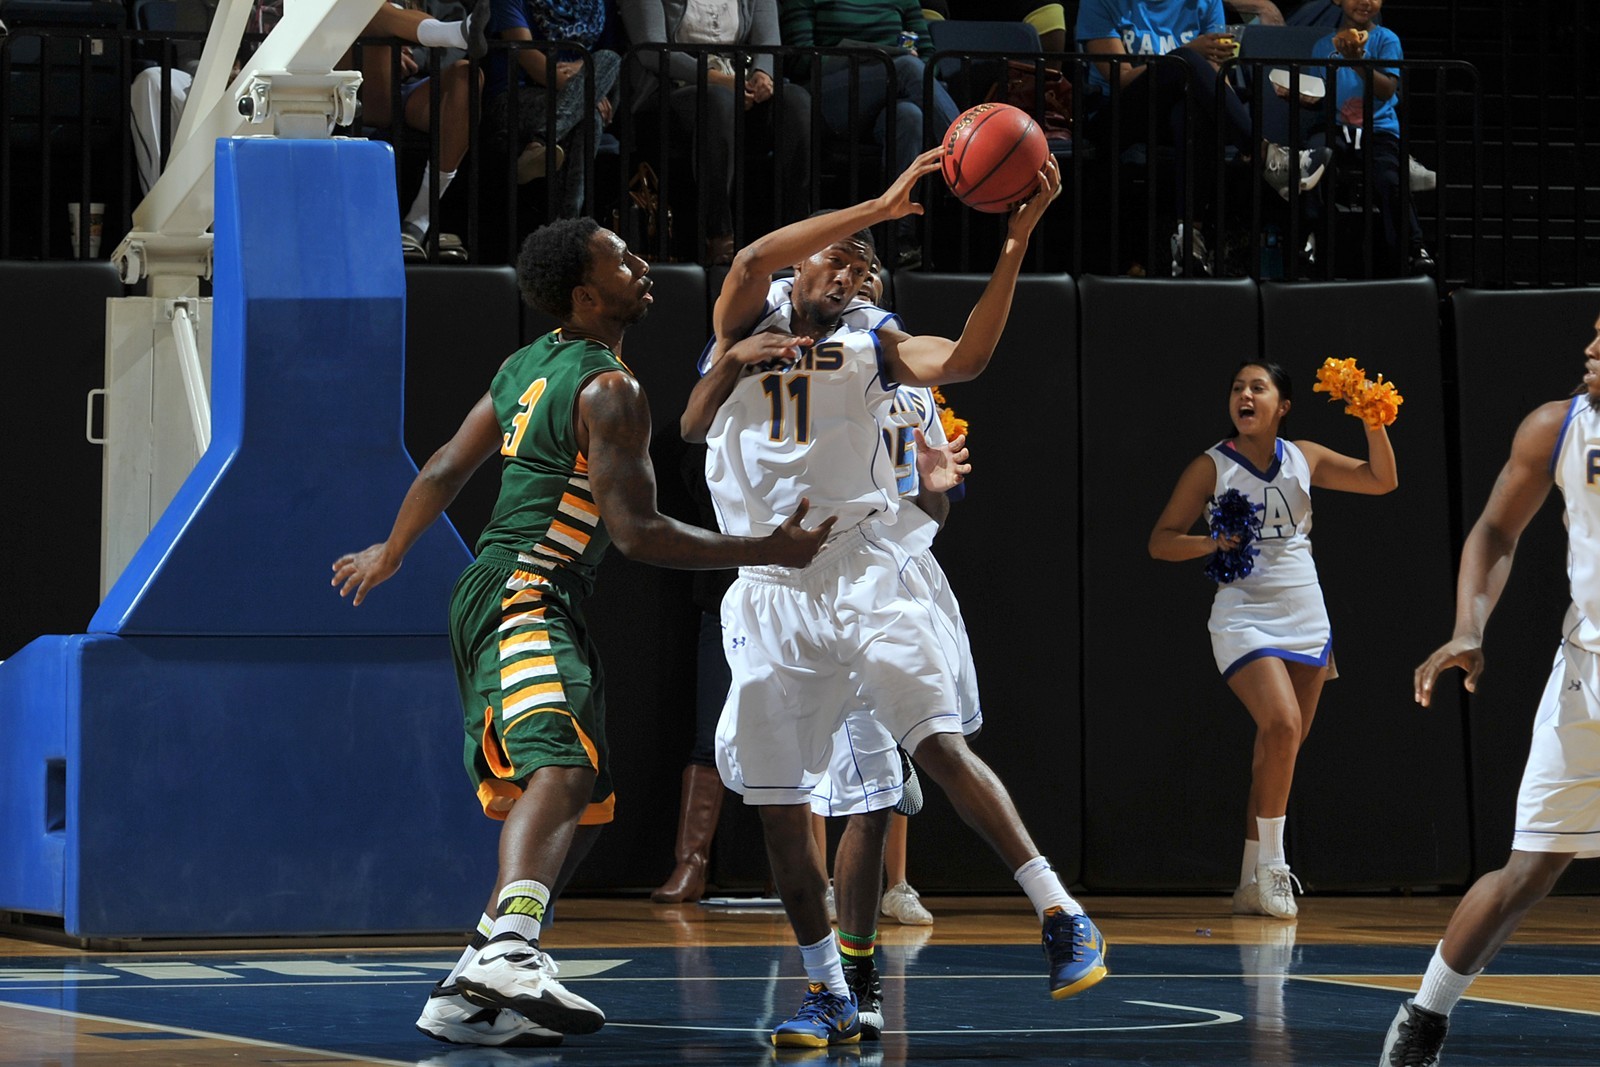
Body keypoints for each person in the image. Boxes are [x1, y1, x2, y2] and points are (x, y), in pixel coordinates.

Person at [331, 217, 834, 1047]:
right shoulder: (611, 390)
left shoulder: (525, 366)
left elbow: (445, 467)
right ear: (585, 293)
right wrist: (767, 550)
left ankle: (468, 987)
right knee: (560, 768)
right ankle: (515, 947)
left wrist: (392, 552)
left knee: (579, 798)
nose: (643, 264)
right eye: (622, 258)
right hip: (526, 589)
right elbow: (638, 532)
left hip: (513, 590)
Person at [683, 150, 1107, 1049]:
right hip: (766, 588)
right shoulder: (740, 326)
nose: (850, 269)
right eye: (839, 257)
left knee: (931, 745)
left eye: (865, 266)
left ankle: (1059, 910)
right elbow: (754, 256)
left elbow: (967, 357)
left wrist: (1015, 245)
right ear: (809, 260)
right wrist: (873, 208)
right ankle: (831, 989)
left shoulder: (873, 342)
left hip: (864, 565)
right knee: (781, 803)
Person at [1380, 312, 1600, 1067]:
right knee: (1530, 866)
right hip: (1585, 672)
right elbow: (1496, 532)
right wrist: (1469, 625)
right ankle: (1422, 1021)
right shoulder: (1556, 426)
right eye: (1594, 331)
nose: (1592, 346)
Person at [1148, 360, 1397, 918]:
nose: (1244, 394)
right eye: (1237, 387)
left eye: (1258, 388)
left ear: (1282, 406)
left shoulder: (1303, 457)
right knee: (1281, 724)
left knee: (1280, 747)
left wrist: (1372, 419)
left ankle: (1247, 882)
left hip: (1307, 614)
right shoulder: (1210, 467)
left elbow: (1382, 480)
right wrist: (1212, 544)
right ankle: (1275, 869)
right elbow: (1160, 542)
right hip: (1243, 615)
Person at [1074, 0, 1334, 274]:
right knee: (1184, 61)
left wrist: (1225, 111)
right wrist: (1186, 52)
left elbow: (1215, 77)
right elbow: (1121, 78)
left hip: (1170, 119)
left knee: (1192, 110)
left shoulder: (1206, 3)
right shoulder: (1101, 2)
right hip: (1118, 114)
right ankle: (1267, 156)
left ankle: (1190, 242)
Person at [619, 0, 813, 265]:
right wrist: (720, 81)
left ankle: (798, 236)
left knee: (795, 102)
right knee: (718, 102)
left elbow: (769, 45)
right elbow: (653, 52)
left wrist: (762, 74)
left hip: (737, 84)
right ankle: (718, 236)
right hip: (672, 91)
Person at [778, 0, 963, 268]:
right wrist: (876, 59)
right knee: (906, 69)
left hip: (887, 94)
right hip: (828, 97)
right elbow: (801, 58)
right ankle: (967, 160)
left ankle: (900, 243)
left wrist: (890, 62)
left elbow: (929, 61)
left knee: (910, 118)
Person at [1298, 0, 1433, 275]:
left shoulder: (1386, 39)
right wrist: (1301, 97)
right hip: (1334, 127)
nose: (1364, 1)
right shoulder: (1323, 45)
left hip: (1378, 129)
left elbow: (1387, 90)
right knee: (1314, 161)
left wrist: (1357, 62)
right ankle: (1310, 237)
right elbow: (1319, 94)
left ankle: (1412, 247)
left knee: (1389, 178)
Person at [485, 0, 621, 211]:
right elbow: (528, 58)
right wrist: (587, 90)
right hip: (515, 96)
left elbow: (608, 55)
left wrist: (583, 74)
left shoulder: (601, 4)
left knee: (610, 59)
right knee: (589, 115)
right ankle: (567, 228)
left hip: (572, 100)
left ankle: (541, 140)